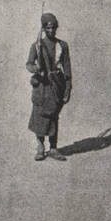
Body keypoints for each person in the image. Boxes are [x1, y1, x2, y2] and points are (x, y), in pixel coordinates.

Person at [25, 13, 72, 162]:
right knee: (39, 115)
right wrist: (36, 68)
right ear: (44, 29)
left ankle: (53, 148)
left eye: (54, 28)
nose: (52, 31)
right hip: (42, 86)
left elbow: (67, 69)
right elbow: (29, 64)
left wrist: (68, 88)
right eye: (48, 28)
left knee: (53, 115)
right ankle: (40, 146)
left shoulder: (62, 46)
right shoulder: (37, 46)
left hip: (56, 85)